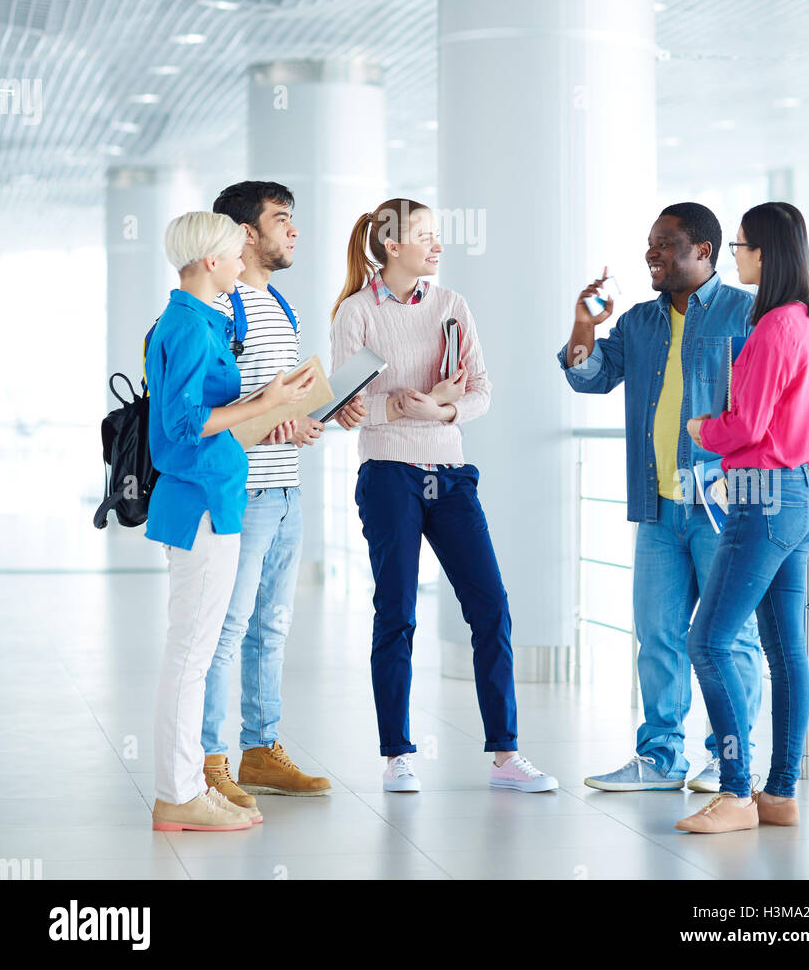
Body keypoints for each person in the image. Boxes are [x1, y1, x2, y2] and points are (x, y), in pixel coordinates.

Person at [330, 198, 558, 794]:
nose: (437, 246)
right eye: (425, 236)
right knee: (397, 612)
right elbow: (343, 408)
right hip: (389, 475)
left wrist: (445, 409)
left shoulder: (452, 306)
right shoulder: (356, 313)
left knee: (491, 607)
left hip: (451, 473)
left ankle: (506, 755)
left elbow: (481, 392)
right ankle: (396, 755)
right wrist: (401, 405)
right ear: (390, 245)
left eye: (437, 235)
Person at [558, 203, 763, 794]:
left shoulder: (744, 313)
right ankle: (660, 757)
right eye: (650, 243)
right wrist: (584, 324)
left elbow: (763, 407)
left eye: (666, 244)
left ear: (703, 251)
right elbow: (589, 376)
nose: (652, 253)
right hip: (657, 506)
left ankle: (729, 760)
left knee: (733, 638)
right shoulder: (640, 321)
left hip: (723, 505)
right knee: (658, 634)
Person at [146, 211, 315, 832]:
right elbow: (184, 425)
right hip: (198, 504)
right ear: (211, 260)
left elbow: (207, 415)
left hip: (213, 499)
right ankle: (177, 793)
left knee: (193, 651)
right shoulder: (189, 325)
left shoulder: (199, 319)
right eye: (233, 255)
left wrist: (268, 408)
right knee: (191, 655)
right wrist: (268, 401)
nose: (244, 263)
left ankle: (188, 785)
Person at [200, 181, 366, 809]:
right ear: (245, 232)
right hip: (241, 490)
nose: (293, 231)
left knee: (271, 626)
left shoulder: (281, 305)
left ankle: (261, 750)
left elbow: (282, 397)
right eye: (281, 220)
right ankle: (212, 762)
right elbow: (207, 406)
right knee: (228, 626)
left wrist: (324, 411)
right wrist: (274, 420)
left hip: (286, 488)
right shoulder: (219, 304)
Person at [677, 202, 809, 834]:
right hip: (798, 498)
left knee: (707, 642)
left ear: (765, 254)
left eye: (739, 246)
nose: (734, 255)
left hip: (761, 501)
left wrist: (700, 428)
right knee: (785, 651)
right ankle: (779, 793)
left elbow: (746, 426)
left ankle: (736, 792)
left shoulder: (771, 328)